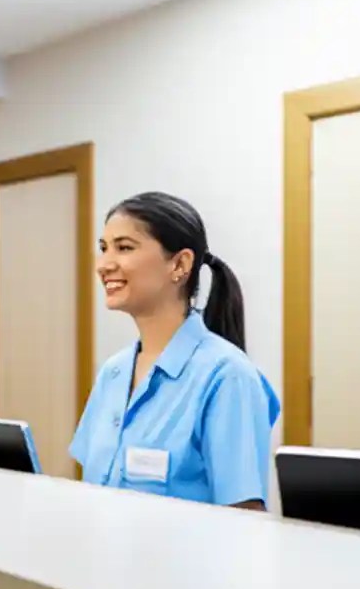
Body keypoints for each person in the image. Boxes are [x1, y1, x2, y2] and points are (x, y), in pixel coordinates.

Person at [70, 192, 279, 509]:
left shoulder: (227, 376)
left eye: (124, 248)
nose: (103, 265)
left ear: (180, 264)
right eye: (103, 248)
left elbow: (244, 520)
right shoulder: (113, 372)